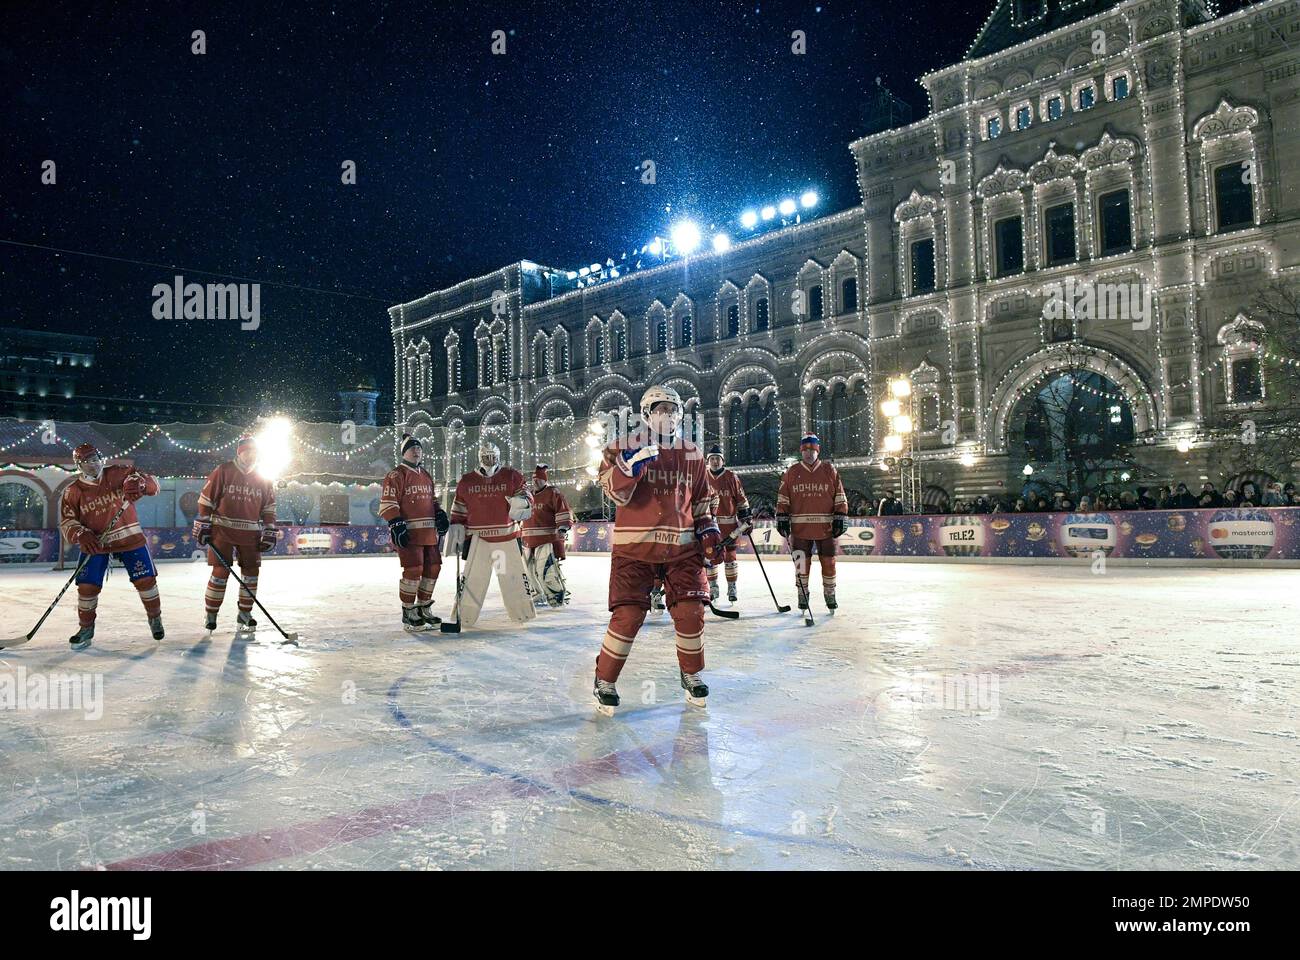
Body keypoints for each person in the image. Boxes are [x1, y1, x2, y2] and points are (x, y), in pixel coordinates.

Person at [592, 385, 720, 714]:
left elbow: (703, 500)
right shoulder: (621, 446)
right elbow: (610, 490)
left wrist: (708, 529)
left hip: (682, 549)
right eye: (662, 408)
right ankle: (604, 679)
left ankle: (692, 675)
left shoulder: (692, 453)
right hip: (635, 550)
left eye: (674, 409)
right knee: (628, 615)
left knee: (691, 611)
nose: (669, 414)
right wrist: (629, 467)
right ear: (647, 413)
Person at [59, 443, 164, 650]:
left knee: (146, 580)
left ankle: (155, 618)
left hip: (130, 538)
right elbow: (67, 522)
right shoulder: (73, 491)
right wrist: (81, 534)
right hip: (97, 544)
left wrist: (141, 483)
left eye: (95, 459)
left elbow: (154, 485)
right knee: (87, 587)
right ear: (78, 465)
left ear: (101, 458)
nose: (93, 464)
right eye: (87, 462)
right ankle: (86, 628)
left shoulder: (119, 473)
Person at [443, 443, 536, 627]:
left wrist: (522, 501)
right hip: (479, 541)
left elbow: (526, 495)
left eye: (493, 456)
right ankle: (466, 616)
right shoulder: (467, 481)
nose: (490, 459)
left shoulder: (512, 476)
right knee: (473, 580)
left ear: (498, 456)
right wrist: (456, 527)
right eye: (486, 456)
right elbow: (459, 508)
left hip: (506, 540)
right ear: (480, 457)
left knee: (511, 579)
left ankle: (522, 613)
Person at [193, 434, 277, 638]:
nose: (251, 455)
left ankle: (245, 613)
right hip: (222, 530)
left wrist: (269, 529)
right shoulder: (224, 470)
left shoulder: (264, 477)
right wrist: (204, 523)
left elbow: (268, 508)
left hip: (251, 533)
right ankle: (211, 614)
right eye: (247, 451)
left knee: (251, 573)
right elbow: (205, 501)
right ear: (239, 453)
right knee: (220, 572)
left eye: (255, 452)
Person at [379, 434, 449, 632]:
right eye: (412, 448)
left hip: (429, 533)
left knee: (433, 568)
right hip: (409, 534)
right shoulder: (396, 475)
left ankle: (423, 607)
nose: (416, 451)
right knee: (413, 570)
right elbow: (388, 502)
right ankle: (408, 611)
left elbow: (432, 501)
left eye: (419, 447)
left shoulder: (425, 474)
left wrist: (440, 514)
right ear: (404, 452)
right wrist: (396, 522)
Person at [776, 434, 848, 612]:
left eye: (812, 450)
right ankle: (802, 594)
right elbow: (783, 498)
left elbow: (840, 496)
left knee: (829, 563)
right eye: (805, 450)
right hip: (800, 530)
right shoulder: (791, 472)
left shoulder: (829, 470)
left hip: (826, 528)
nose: (809, 453)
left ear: (818, 451)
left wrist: (840, 516)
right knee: (801, 565)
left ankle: (830, 594)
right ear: (801, 452)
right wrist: (782, 517)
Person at [703, 444, 751, 604]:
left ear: (722, 461)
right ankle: (713, 587)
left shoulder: (731, 477)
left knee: (730, 557)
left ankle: (732, 587)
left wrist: (745, 516)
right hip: (709, 527)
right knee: (710, 557)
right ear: (708, 461)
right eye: (712, 459)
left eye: (718, 459)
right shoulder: (702, 476)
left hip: (729, 527)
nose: (715, 461)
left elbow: (741, 499)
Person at [521, 463, 572, 607]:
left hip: (546, 538)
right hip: (527, 539)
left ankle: (555, 594)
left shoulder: (553, 492)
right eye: (534, 479)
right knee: (528, 569)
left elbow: (562, 509)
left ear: (545, 480)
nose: (535, 482)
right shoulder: (528, 495)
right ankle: (537, 593)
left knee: (545, 568)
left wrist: (562, 527)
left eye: (538, 479)